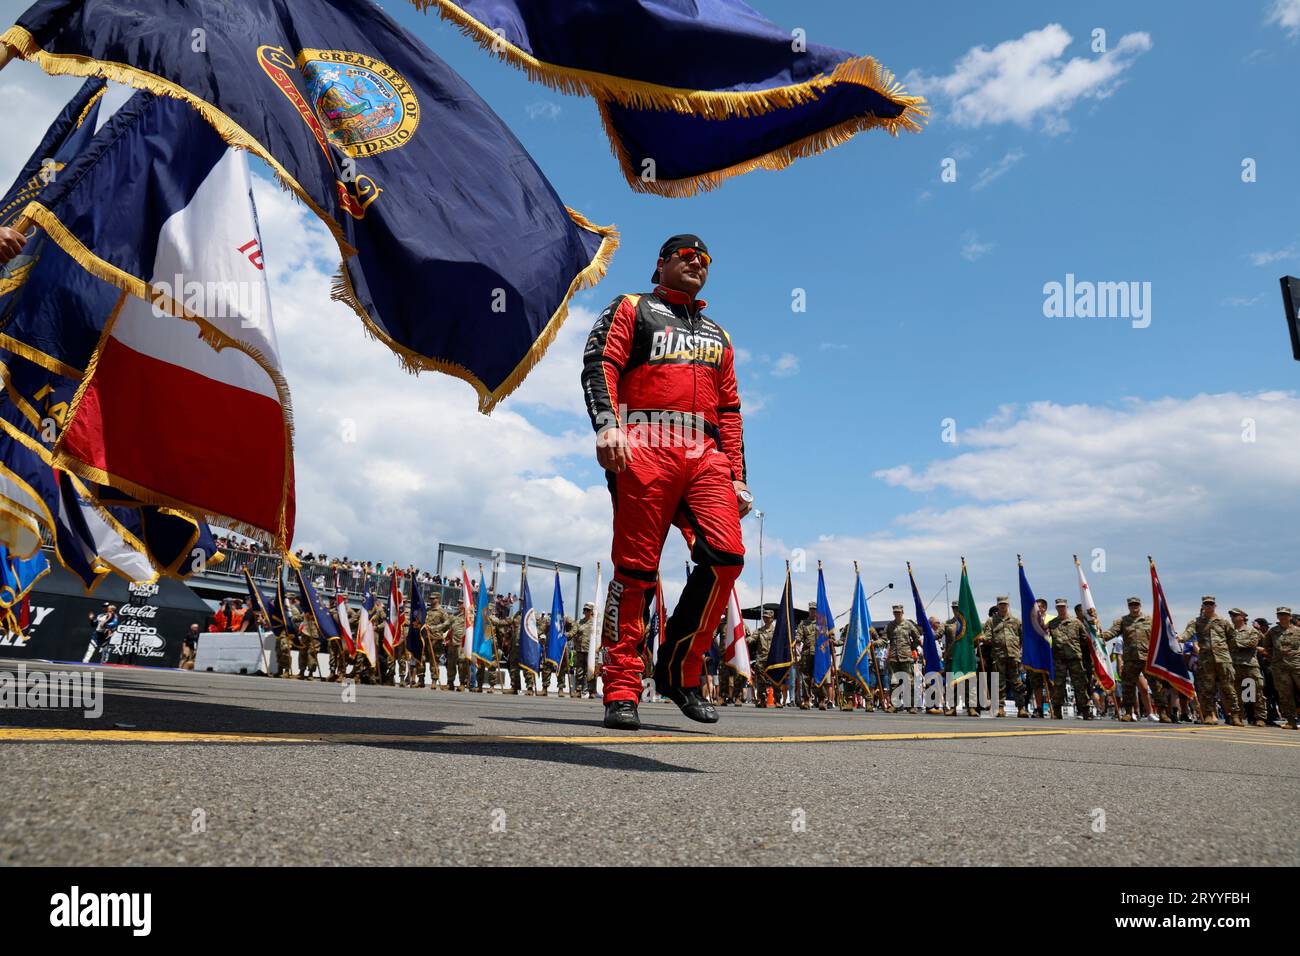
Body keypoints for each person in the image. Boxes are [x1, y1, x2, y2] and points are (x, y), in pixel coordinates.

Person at [581, 234, 750, 731]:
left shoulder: (719, 334)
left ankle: (678, 670)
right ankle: (622, 688)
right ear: (661, 264)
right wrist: (607, 425)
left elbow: (732, 411)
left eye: (705, 260)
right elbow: (600, 365)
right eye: (686, 256)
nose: (697, 263)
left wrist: (737, 476)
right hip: (643, 442)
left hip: (706, 454)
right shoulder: (632, 307)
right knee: (635, 571)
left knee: (727, 555)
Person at [1180, 595, 1242, 726]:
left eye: (1211, 604)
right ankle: (1209, 715)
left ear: (1215, 606)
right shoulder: (1196, 622)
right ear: (1202, 606)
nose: (1208, 606)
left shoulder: (1223, 621)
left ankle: (1235, 715)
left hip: (1223, 660)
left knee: (1229, 688)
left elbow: (1232, 639)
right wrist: (1180, 638)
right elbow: (1188, 633)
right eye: (1206, 604)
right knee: (1207, 689)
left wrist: (1226, 652)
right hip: (1206, 661)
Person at [1047, 599, 1093, 719]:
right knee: (1058, 685)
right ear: (1056, 608)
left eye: (1063, 606)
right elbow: (1043, 636)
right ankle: (1057, 711)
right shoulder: (1052, 623)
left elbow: (1085, 638)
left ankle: (1085, 710)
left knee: (1080, 685)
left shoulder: (1076, 622)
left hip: (1075, 659)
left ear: (1067, 607)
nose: (1061, 609)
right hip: (1059, 659)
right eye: (1059, 607)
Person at [1227, 607, 1268, 726]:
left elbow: (1252, 643)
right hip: (1234, 665)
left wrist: (1235, 644)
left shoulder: (1252, 631)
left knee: (1256, 691)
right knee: (1235, 693)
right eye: (1232, 615)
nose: (1233, 617)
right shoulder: (1229, 631)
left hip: (1250, 665)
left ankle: (1260, 717)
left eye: (1235, 615)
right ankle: (1237, 717)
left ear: (1243, 617)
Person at [985, 596, 1025, 718]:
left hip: (1013, 656)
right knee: (999, 683)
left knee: (1017, 683)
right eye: (1000, 604)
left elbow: (1022, 637)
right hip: (998, 656)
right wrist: (981, 638)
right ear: (997, 605)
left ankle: (1021, 708)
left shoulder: (1016, 621)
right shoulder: (991, 621)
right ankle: (1000, 708)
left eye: (1005, 604)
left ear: (1008, 605)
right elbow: (987, 636)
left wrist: (1020, 652)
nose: (1003, 606)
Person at [1264, 607, 1300, 730]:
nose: (1283, 617)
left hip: (1297, 666)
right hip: (1280, 668)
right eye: (1280, 615)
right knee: (1285, 694)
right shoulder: (1272, 632)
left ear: (1290, 617)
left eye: (1285, 615)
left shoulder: (1298, 631)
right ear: (1277, 617)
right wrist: (1274, 659)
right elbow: (1267, 647)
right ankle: (1291, 721)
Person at [884, 604, 921, 713]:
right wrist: (875, 643)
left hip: (906, 657)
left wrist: (911, 647)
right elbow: (884, 639)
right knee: (894, 683)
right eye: (895, 612)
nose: (897, 614)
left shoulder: (908, 625)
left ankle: (911, 706)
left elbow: (917, 638)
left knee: (909, 682)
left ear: (902, 612)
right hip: (894, 658)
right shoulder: (890, 626)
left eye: (899, 612)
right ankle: (895, 705)